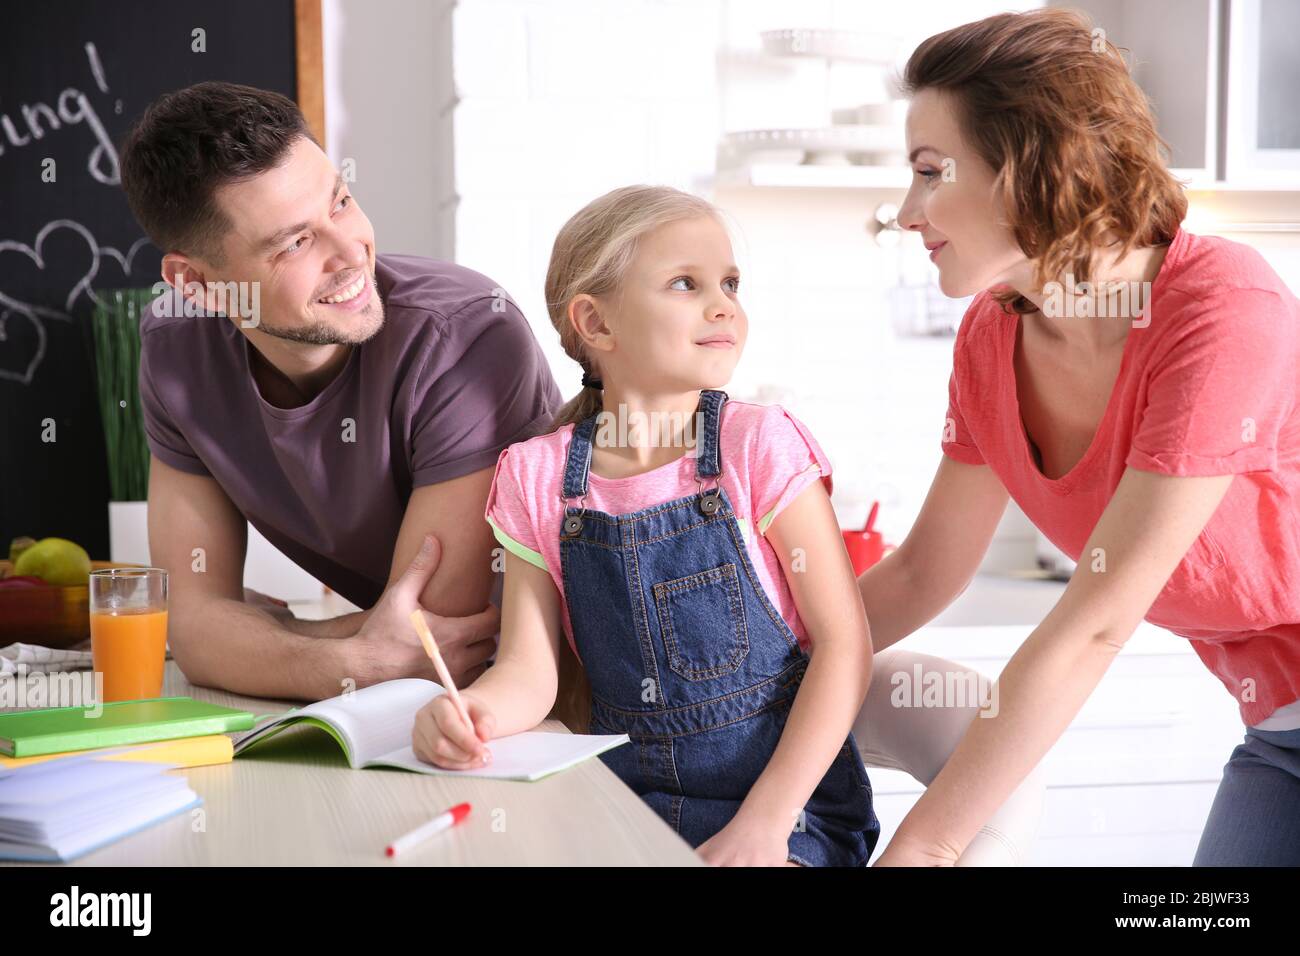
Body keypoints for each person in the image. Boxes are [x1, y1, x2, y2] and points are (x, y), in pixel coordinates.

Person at [861, 9, 1300, 866]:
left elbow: (1095, 624)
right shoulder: (992, 339)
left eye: (928, 172)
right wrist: (731, 671)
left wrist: (925, 849)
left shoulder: (1222, 308)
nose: (907, 212)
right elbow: (923, 571)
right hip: (1280, 728)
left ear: (1033, 164)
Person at [412, 185, 879, 866]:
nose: (724, 304)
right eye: (686, 284)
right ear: (596, 325)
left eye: (730, 282)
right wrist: (472, 713)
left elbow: (846, 647)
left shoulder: (760, 446)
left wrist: (766, 823)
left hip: (788, 811)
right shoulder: (534, 476)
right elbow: (528, 672)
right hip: (622, 800)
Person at [119, 82, 561, 701]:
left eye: (342, 201)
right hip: (413, 717)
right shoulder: (176, 349)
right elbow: (194, 631)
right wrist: (350, 658)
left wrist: (276, 631)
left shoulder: (467, 335)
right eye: (296, 242)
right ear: (197, 282)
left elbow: (436, 638)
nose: (353, 251)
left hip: (553, 703)